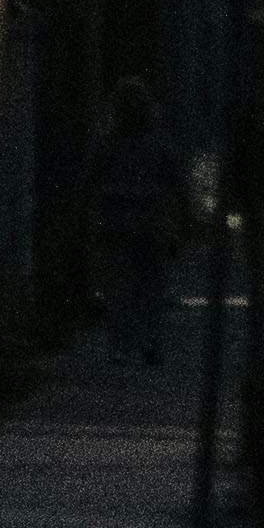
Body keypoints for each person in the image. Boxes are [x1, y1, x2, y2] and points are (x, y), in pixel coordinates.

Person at [86, 76, 187, 365]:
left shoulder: (109, 144)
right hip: (146, 221)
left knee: (123, 287)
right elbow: (178, 184)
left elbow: (89, 182)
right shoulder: (156, 143)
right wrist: (184, 220)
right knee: (146, 287)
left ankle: (125, 344)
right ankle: (145, 341)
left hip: (120, 221)